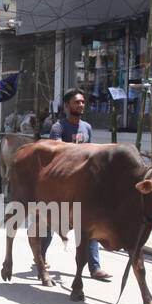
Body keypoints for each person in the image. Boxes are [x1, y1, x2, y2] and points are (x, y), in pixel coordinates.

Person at [41, 89, 111, 281]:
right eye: (76, 102)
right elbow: (55, 155)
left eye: (82, 102)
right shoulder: (58, 128)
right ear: (67, 106)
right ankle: (40, 257)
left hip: (84, 185)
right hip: (63, 185)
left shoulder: (87, 127)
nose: (80, 105)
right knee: (50, 223)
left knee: (89, 224)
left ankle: (95, 267)